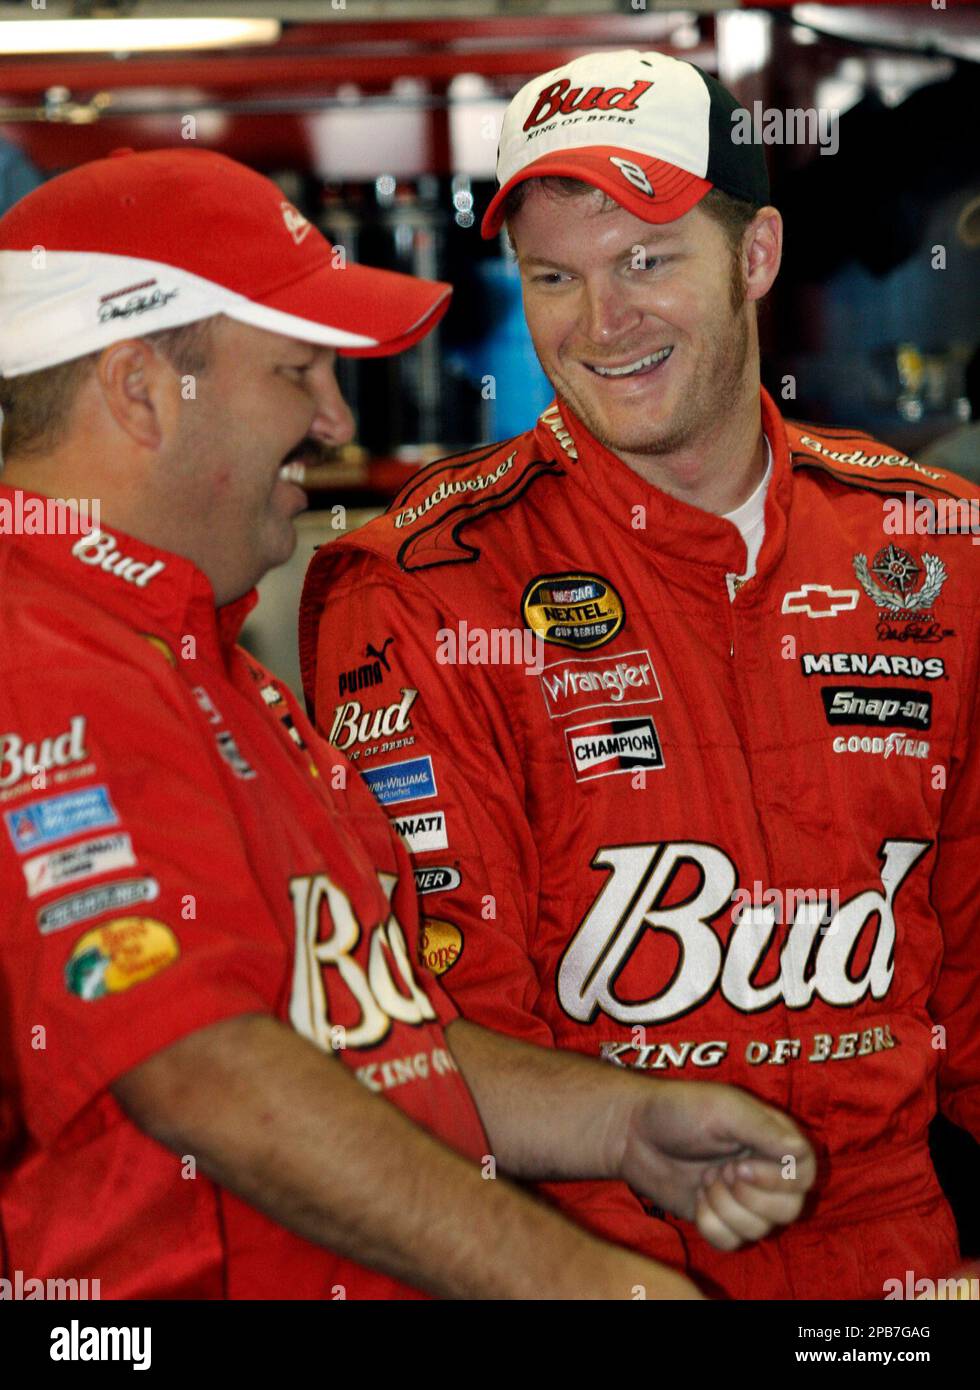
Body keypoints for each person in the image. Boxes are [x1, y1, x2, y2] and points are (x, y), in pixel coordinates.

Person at [0, 147, 815, 1302]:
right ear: (140, 390)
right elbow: (201, 1070)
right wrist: (580, 1287)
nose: (334, 417)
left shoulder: (187, 654)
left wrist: (618, 1122)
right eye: (297, 371)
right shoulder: (41, 655)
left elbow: (357, 1037)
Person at [300, 49, 980, 1300]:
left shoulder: (934, 543)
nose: (599, 325)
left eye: (645, 263)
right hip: (586, 1261)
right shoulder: (419, 584)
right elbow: (440, 1054)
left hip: (897, 1266)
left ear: (756, 255)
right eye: (553, 277)